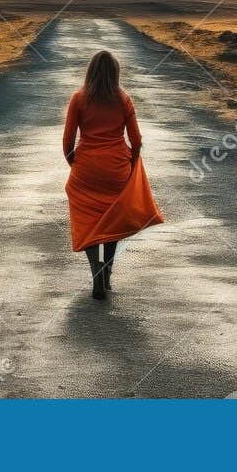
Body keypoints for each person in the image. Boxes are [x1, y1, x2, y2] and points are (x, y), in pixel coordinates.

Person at [62, 50, 165, 300]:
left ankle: (95, 270)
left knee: (86, 220)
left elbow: (67, 142)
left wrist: (75, 164)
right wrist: (131, 161)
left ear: (90, 71)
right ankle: (107, 271)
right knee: (111, 220)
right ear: (115, 73)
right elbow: (137, 140)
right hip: (117, 169)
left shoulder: (79, 98)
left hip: (86, 167)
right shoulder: (123, 99)